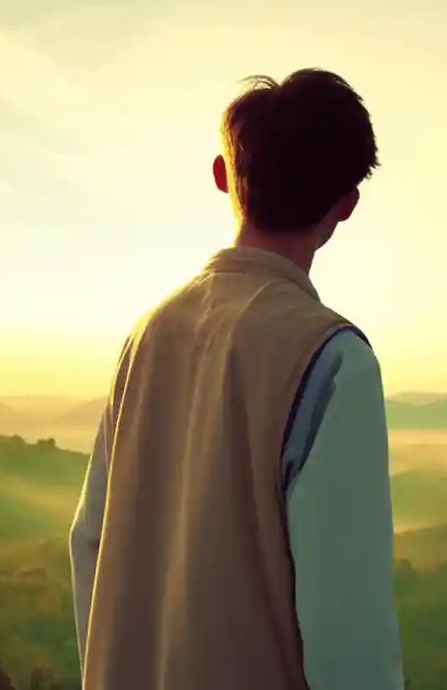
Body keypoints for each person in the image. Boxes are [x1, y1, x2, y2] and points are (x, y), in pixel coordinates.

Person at [68, 69, 403, 689]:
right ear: (346, 203)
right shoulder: (332, 359)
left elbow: (90, 542)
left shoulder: (146, 337)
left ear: (222, 176)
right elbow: (348, 629)